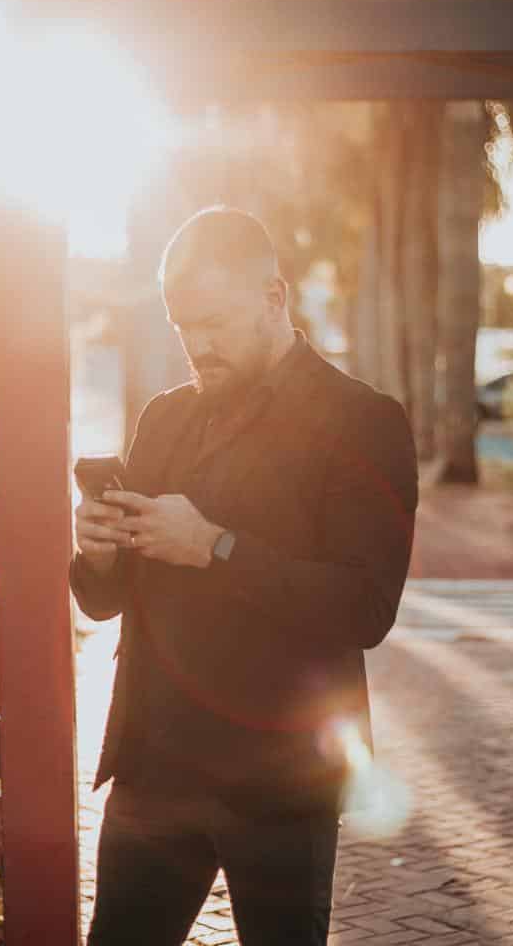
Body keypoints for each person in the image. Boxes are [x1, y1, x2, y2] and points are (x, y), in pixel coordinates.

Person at [69, 205, 418, 946]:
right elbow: (107, 599)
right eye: (182, 326)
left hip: (281, 782)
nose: (198, 345)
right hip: (154, 772)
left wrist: (215, 547)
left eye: (215, 323)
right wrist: (99, 552)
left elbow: (366, 606)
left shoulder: (364, 421)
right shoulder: (165, 417)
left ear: (273, 298)